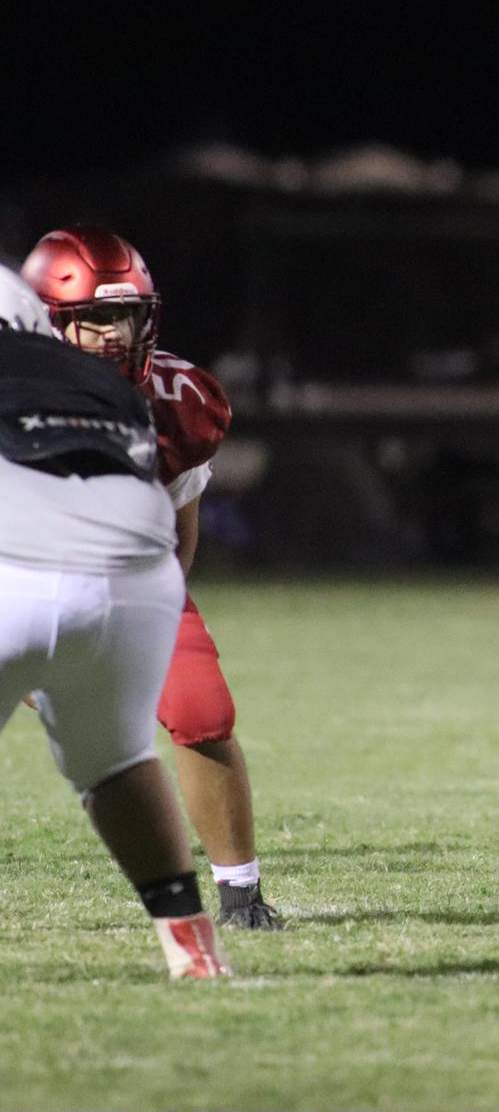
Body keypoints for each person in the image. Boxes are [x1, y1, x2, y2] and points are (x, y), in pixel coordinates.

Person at [23, 226, 282, 928]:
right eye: (95, 318)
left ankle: (240, 894)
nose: (114, 333)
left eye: (126, 314)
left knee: (201, 709)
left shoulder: (176, 398)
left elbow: (178, 529)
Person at [0, 267, 229, 978]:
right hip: (137, 579)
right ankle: (191, 945)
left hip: (17, 561)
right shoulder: (106, 383)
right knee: (119, 762)